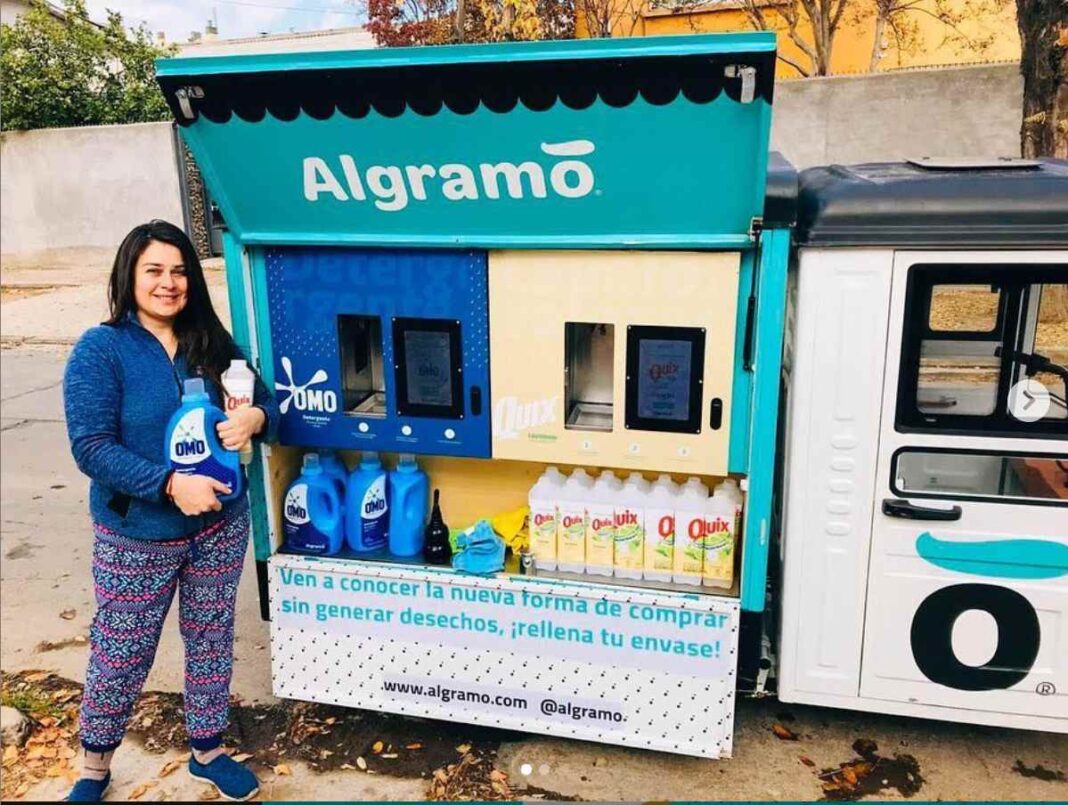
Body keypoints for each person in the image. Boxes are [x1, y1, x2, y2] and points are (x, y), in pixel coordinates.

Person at [62, 221, 279, 802]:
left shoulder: (211, 343)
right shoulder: (101, 349)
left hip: (218, 527)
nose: (168, 282)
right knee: (122, 647)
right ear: (129, 275)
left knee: (210, 637)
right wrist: (168, 485)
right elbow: (90, 446)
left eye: (179, 270)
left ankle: (207, 750)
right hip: (137, 535)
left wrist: (255, 417)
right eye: (154, 270)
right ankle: (94, 765)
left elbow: (264, 400)